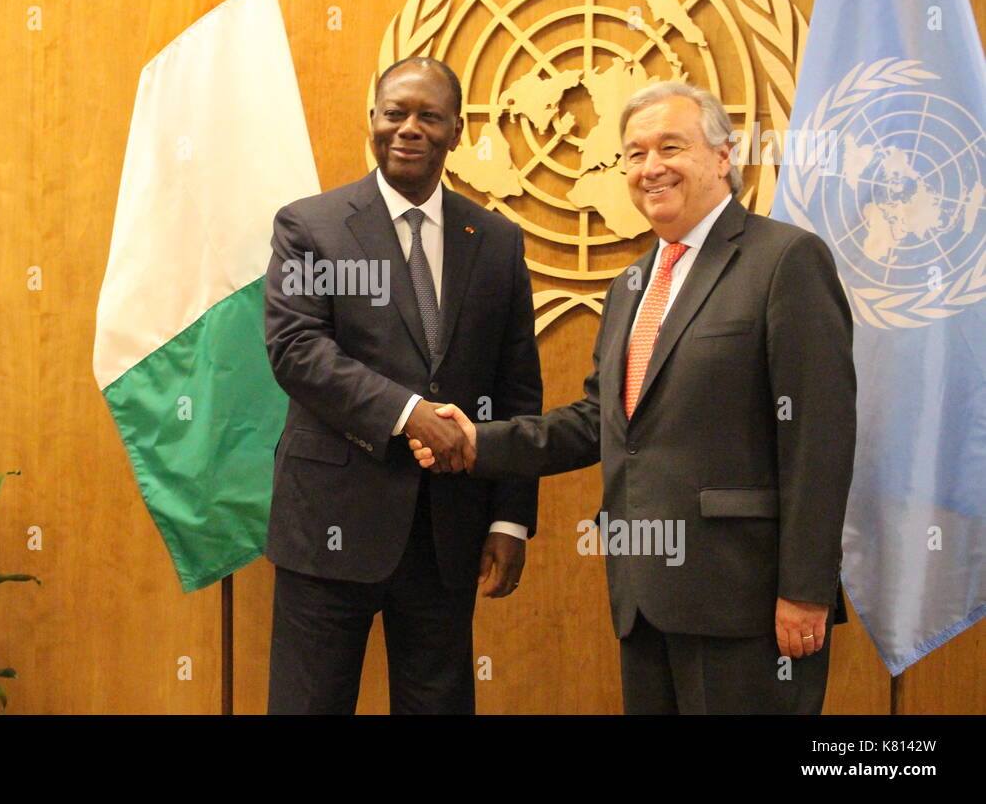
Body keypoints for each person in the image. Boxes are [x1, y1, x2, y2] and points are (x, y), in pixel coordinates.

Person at [412, 82, 856, 714]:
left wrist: (807, 590)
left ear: (724, 155)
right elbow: (602, 420)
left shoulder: (785, 260)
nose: (651, 168)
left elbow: (820, 439)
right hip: (643, 597)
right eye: (635, 153)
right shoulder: (633, 283)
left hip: (746, 602)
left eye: (670, 147)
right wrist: (479, 440)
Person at [263, 57, 543, 714]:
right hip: (329, 525)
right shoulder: (312, 227)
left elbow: (518, 390)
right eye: (395, 113)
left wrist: (510, 517)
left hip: (447, 534)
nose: (409, 129)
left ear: (456, 129)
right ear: (373, 122)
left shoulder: (496, 241)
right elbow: (296, 350)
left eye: (428, 116)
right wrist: (408, 414)